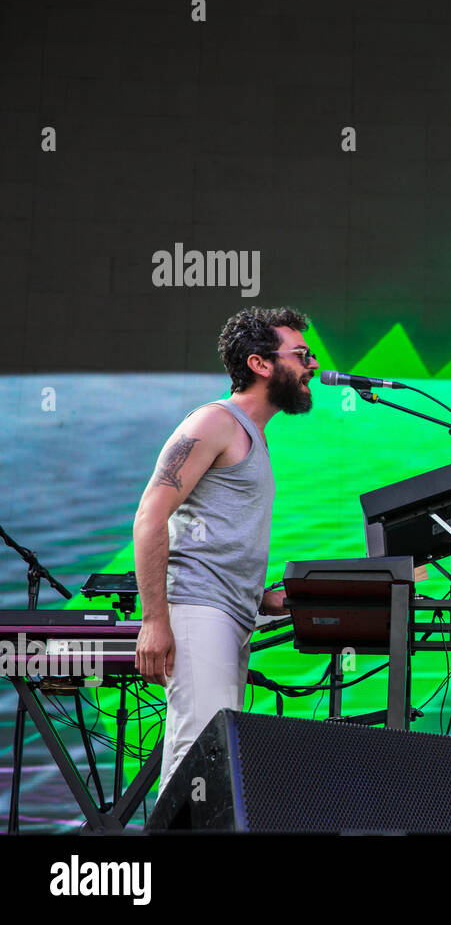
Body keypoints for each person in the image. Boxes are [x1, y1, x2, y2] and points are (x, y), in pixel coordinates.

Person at [132, 306, 317, 795]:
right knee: (198, 764)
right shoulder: (215, 421)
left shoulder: (252, 436)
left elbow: (216, 537)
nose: (312, 366)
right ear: (260, 364)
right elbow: (151, 516)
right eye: (300, 354)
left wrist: (262, 598)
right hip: (198, 610)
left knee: (214, 769)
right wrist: (155, 620)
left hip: (229, 613)